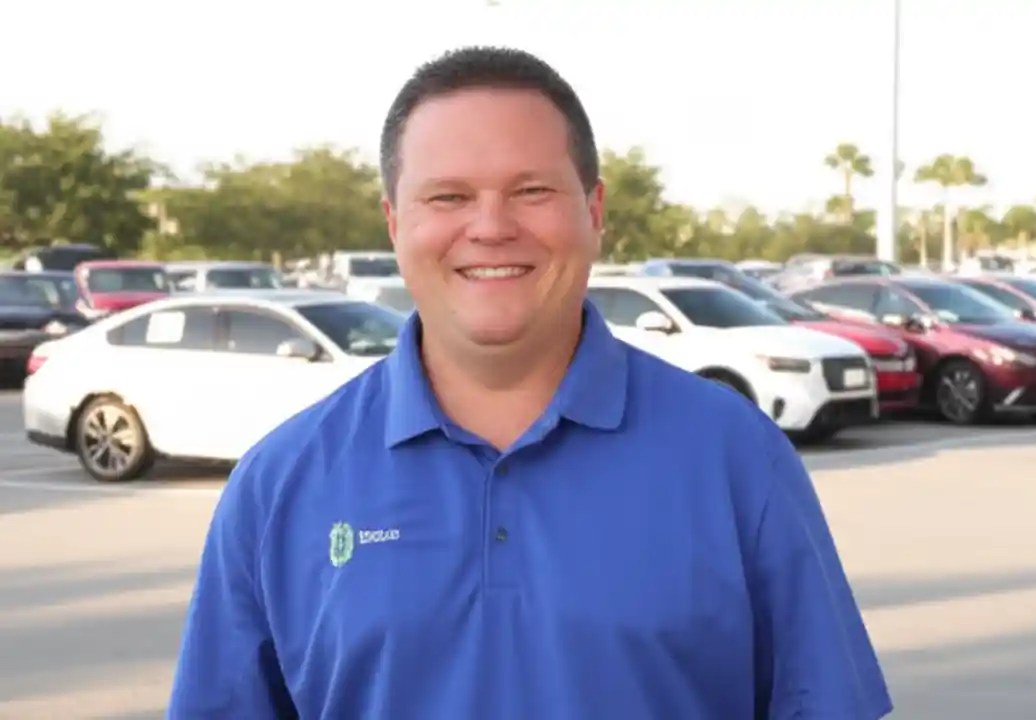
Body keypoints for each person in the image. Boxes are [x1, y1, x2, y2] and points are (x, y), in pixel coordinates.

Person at [167, 46, 892, 719]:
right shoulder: (280, 482)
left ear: (595, 211)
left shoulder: (735, 456)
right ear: (394, 224)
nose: (490, 226)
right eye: (448, 197)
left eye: (532, 189)